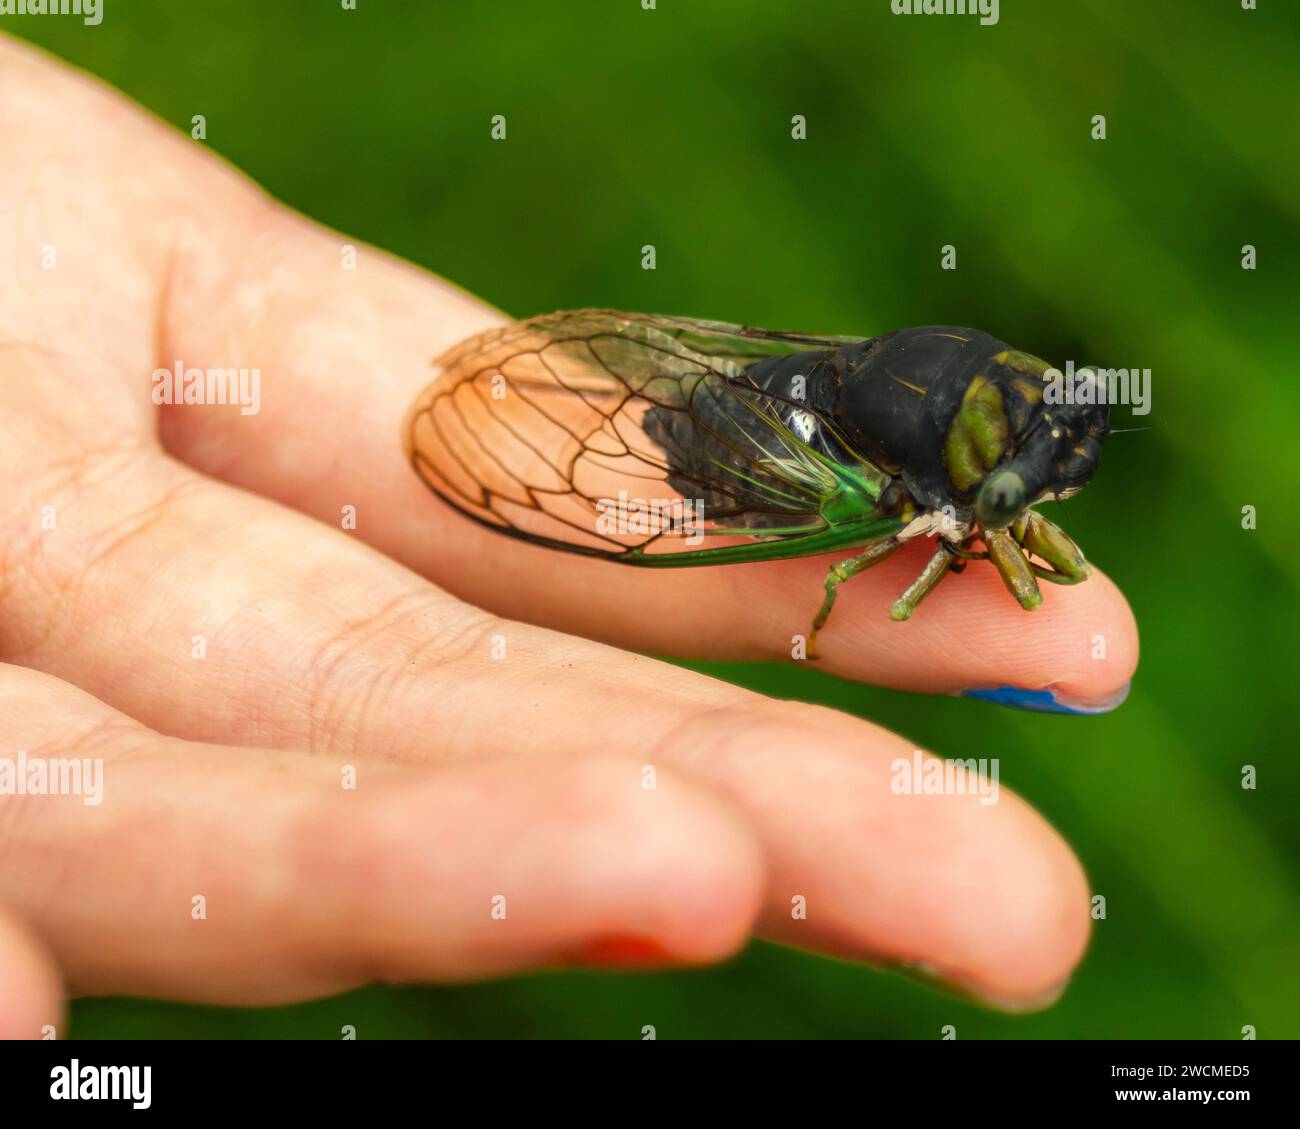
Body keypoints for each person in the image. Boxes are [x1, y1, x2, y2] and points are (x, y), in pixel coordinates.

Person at [0, 33, 1135, 1037]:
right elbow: (887, 573)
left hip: (792, 392)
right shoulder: (900, 502)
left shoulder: (977, 443)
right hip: (752, 457)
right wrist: (898, 543)